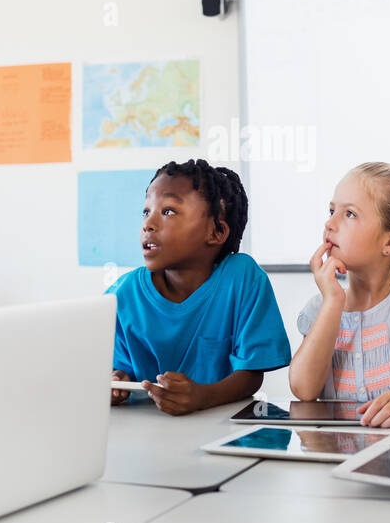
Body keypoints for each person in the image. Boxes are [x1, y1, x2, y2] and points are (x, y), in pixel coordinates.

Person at [108, 160, 290, 415]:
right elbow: (113, 369)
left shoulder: (242, 278)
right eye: (146, 211)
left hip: (219, 430)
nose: (148, 224)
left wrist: (202, 397)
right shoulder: (123, 294)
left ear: (216, 232)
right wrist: (115, 381)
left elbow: (250, 375)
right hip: (143, 434)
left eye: (168, 211)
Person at [289, 162, 390, 428]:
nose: (329, 223)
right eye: (331, 210)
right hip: (334, 450)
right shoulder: (322, 306)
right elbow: (304, 389)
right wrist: (333, 302)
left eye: (349, 214)